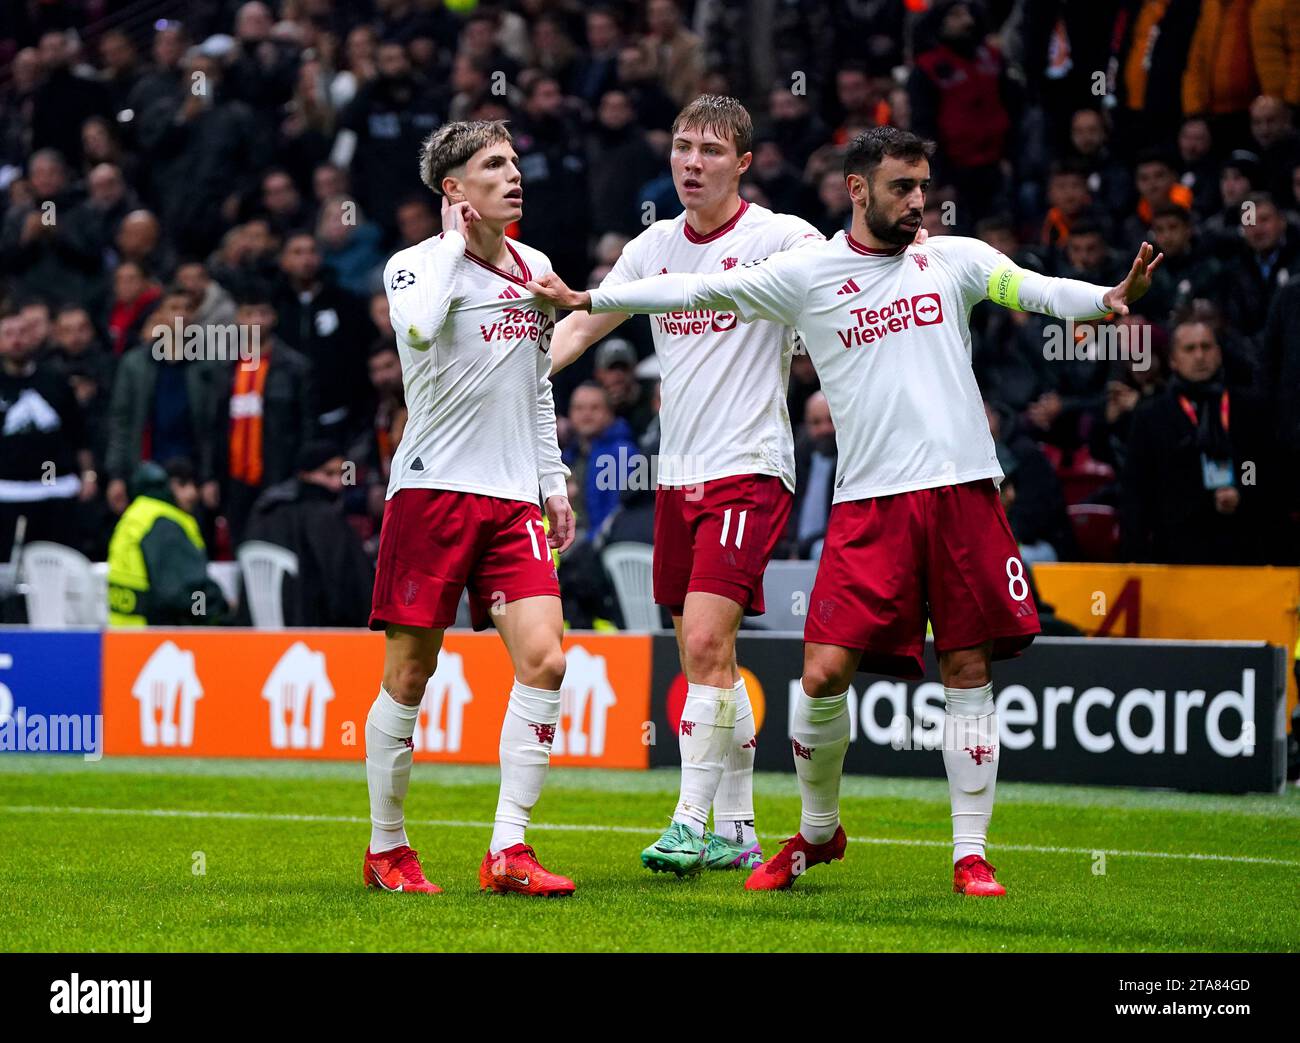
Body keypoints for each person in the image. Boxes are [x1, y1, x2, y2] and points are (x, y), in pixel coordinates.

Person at [529, 126, 1163, 896]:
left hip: (963, 491)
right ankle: (818, 832)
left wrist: (1106, 299)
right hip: (867, 505)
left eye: (924, 186)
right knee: (822, 674)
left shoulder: (952, 260)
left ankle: (970, 852)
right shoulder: (806, 273)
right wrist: (594, 297)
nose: (919, 202)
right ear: (859, 190)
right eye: (903, 187)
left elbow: (1030, 288)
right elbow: (694, 290)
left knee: (965, 665)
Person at [550, 95, 823, 876]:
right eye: (680, 146)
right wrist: (523, 372)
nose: (691, 162)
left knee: (704, 642)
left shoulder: (782, 236)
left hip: (750, 467)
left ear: (743, 162)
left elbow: (839, 289)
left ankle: (688, 818)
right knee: (707, 657)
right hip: (678, 476)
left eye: (709, 149)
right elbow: (582, 323)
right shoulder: (653, 244)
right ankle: (738, 826)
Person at [364, 120, 576, 898]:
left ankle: (508, 849)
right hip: (432, 493)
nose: (514, 175)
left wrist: (552, 480)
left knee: (547, 659)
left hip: (514, 495)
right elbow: (418, 332)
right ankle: (387, 847)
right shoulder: (413, 266)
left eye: (515, 161)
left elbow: (538, 384)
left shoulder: (538, 266)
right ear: (454, 189)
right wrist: (453, 246)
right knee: (411, 673)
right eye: (493, 166)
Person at [1121, 319, 1277, 564]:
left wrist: (1243, 491)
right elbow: (1138, 489)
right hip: (1176, 551)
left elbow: (1257, 464)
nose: (1200, 356)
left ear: (1219, 353)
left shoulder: (1248, 408)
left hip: (1244, 545)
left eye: (1206, 347)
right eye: (1190, 349)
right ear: (1173, 360)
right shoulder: (1152, 416)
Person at [242, 441, 374, 627]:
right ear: (305, 474)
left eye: (342, 474)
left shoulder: (265, 507)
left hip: (263, 629)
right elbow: (351, 591)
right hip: (314, 628)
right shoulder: (322, 516)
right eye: (328, 474)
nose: (337, 483)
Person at [106, 459, 228, 626]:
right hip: (157, 639)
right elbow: (186, 593)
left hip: (122, 637)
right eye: (182, 484)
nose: (192, 493)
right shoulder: (164, 524)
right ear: (165, 485)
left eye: (193, 484)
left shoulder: (135, 516)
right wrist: (217, 615)